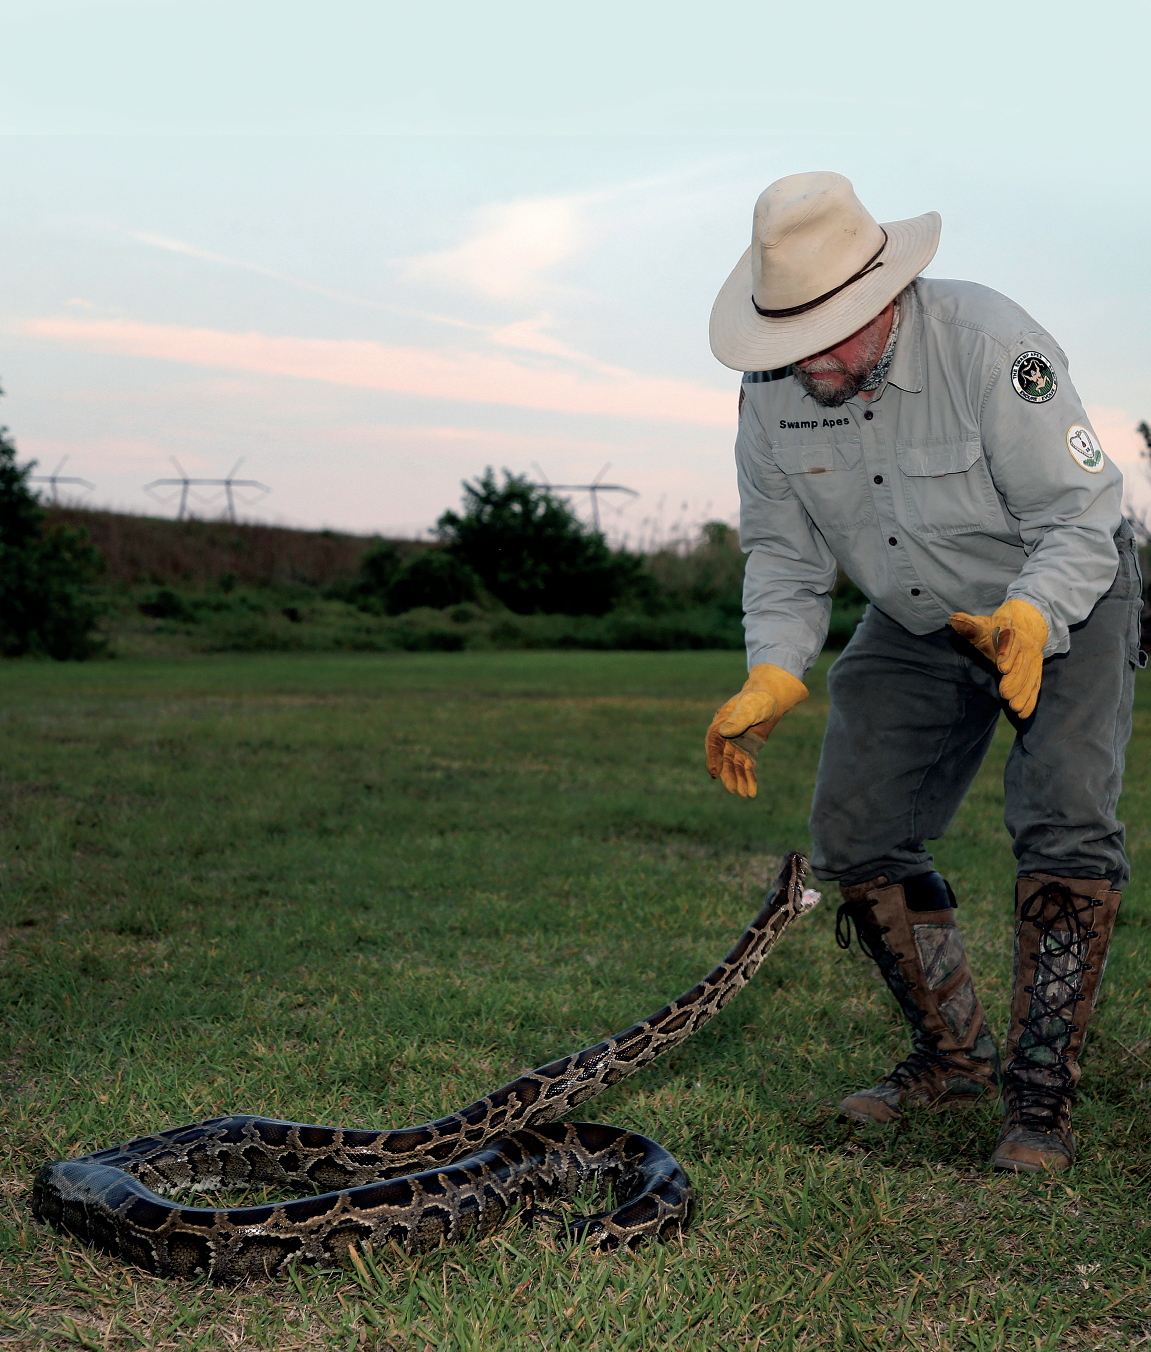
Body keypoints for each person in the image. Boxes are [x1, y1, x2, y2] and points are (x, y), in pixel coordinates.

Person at [705, 172, 1141, 1174]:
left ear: (886, 294)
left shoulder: (991, 345)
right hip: (913, 616)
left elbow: (1078, 517)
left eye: (831, 333)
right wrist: (771, 670)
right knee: (853, 830)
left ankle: (1039, 1090)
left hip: (1056, 592)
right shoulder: (770, 391)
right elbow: (781, 555)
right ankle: (953, 1058)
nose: (811, 359)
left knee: (1065, 815)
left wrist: (1029, 618)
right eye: (791, 338)